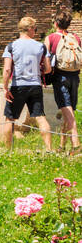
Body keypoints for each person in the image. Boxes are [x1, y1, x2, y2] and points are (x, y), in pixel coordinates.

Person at [0, 16, 52, 152]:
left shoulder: (11, 46)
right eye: (35, 29)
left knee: (9, 119)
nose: (35, 32)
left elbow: (6, 69)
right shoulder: (41, 46)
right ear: (30, 29)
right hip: (35, 85)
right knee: (40, 118)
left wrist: (5, 88)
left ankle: (7, 150)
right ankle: (49, 149)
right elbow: (48, 69)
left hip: (18, 86)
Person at [47, 11, 81, 154]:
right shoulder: (76, 38)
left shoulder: (51, 38)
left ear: (55, 23)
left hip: (60, 77)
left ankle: (76, 144)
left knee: (67, 111)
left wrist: (45, 76)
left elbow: (45, 59)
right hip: (75, 77)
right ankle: (62, 146)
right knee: (69, 112)